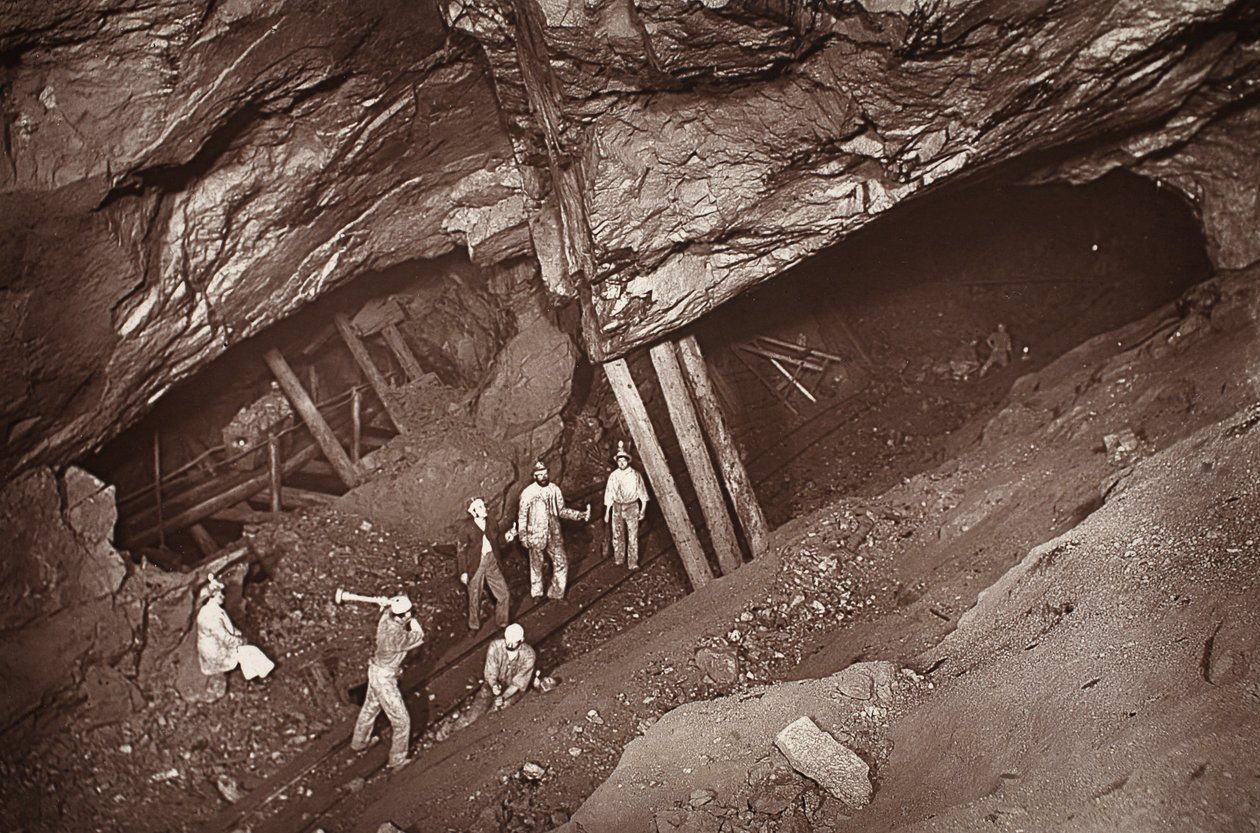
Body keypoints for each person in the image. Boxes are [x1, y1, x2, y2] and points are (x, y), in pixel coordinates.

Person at [350, 595, 425, 769]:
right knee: (402, 721)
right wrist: (412, 618)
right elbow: (419, 635)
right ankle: (397, 760)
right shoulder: (396, 639)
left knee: (370, 708)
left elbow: (387, 611)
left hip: (375, 671)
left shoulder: (386, 620)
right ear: (402, 616)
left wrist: (386, 604)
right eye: (408, 613)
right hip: (384, 680)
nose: (410, 615)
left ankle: (359, 743)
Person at [435, 623, 537, 739]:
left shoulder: (529, 655)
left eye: (514, 643)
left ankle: (473, 737)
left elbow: (517, 684)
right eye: (508, 641)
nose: (510, 645)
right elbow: (490, 672)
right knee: (473, 716)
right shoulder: (495, 646)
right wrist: (494, 685)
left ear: (522, 640)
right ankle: (450, 731)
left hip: (512, 691)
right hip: (492, 685)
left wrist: (503, 697)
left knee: (493, 715)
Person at [517, 461, 590, 600]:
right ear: (534, 476)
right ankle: (537, 593)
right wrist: (523, 536)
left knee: (561, 561)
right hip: (536, 534)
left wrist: (579, 515)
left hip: (554, 532)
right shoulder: (528, 493)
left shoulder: (554, 489)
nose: (544, 477)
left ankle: (557, 593)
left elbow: (561, 511)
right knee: (536, 564)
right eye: (540, 475)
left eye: (545, 474)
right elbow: (522, 516)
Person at [195, 575, 274, 702]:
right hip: (215, 652)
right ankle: (257, 679)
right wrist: (240, 641)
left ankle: (256, 676)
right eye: (219, 595)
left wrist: (237, 633)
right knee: (250, 651)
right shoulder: (210, 616)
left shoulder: (213, 610)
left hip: (217, 646)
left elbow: (228, 628)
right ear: (210, 598)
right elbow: (224, 637)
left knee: (246, 648)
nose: (223, 596)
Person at [457, 497, 513, 632]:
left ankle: (502, 623)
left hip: (492, 560)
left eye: (483, 506)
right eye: (480, 507)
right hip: (476, 564)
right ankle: (474, 626)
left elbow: (497, 540)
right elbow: (461, 551)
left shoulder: (491, 522)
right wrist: (463, 571)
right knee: (474, 597)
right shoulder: (466, 528)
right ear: (473, 512)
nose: (484, 509)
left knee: (504, 593)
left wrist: (508, 537)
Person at [603, 441, 649, 570]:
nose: (621, 463)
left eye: (624, 460)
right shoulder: (613, 476)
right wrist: (607, 511)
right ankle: (619, 558)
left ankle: (633, 562)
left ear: (628, 461)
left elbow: (642, 493)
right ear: (617, 462)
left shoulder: (635, 475)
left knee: (633, 535)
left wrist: (643, 510)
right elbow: (609, 493)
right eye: (619, 461)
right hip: (617, 506)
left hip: (632, 506)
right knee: (617, 534)